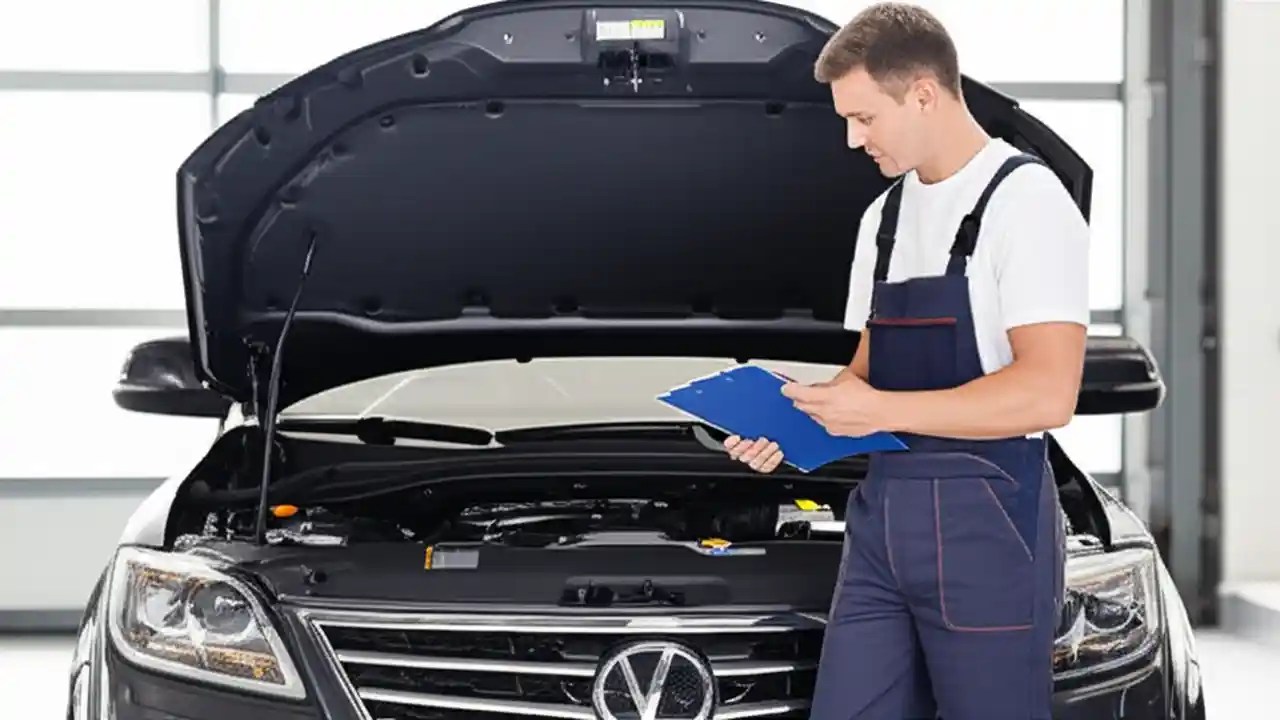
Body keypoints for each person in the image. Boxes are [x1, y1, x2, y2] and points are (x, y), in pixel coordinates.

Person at [722, 3, 1089, 719]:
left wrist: (880, 411)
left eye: (865, 118)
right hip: (882, 521)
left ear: (924, 93)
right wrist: (797, 420)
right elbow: (868, 373)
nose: (853, 140)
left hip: (988, 525)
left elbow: (1048, 394)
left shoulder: (1026, 203)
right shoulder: (883, 217)